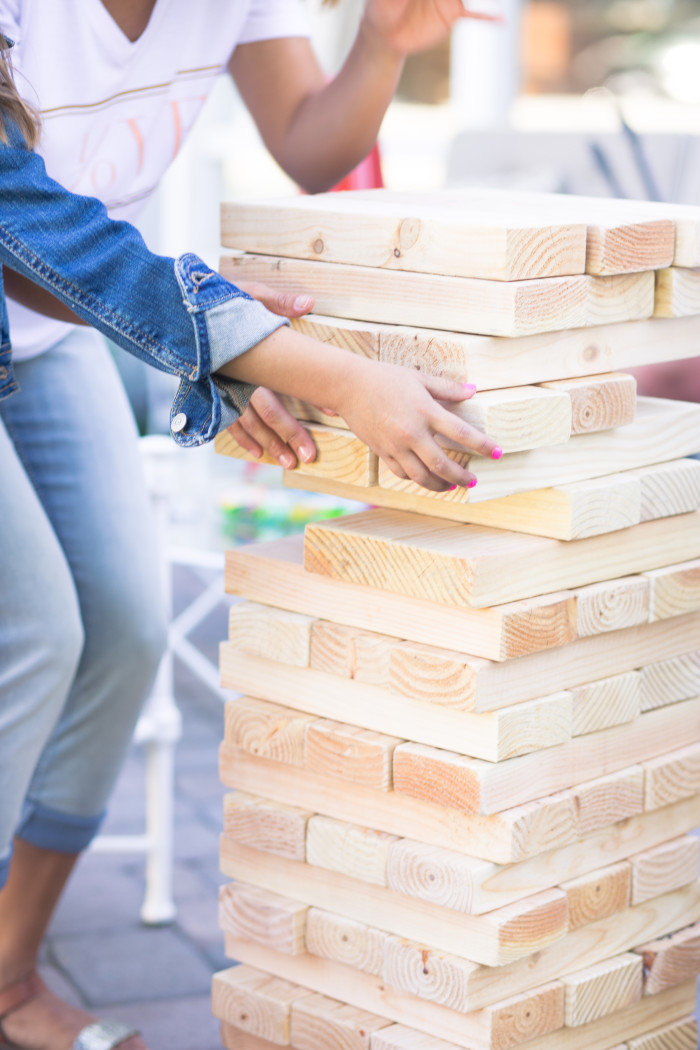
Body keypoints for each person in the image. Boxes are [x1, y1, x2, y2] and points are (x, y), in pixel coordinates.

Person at [0, 5, 501, 1049]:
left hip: (52, 332)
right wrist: (259, 349)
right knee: (36, 631)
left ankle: (6, 977)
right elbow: (20, 214)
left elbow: (312, 147)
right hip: (46, 284)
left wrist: (384, 42)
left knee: (128, 630)